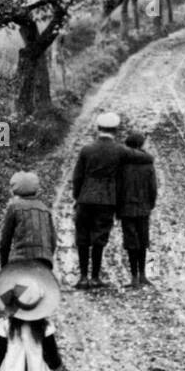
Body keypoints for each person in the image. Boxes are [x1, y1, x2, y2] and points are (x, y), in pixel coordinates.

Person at [71, 111, 125, 289]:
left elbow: (77, 177)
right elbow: (122, 178)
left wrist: (77, 197)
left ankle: (83, 277)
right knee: (99, 237)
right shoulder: (120, 151)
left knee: (82, 236)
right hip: (107, 200)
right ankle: (95, 277)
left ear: (98, 129)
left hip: (85, 198)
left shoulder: (87, 150)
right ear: (115, 130)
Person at [116, 130, 158, 288]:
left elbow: (117, 187)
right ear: (141, 144)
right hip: (143, 208)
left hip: (126, 208)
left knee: (131, 242)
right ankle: (143, 275)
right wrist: (150, 204)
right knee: (143, 241)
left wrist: (117, 207)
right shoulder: (148, 163)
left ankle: (133, 277)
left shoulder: (121, 164)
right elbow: (152, 188)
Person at [0, 171, 56, 269]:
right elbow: (53, 241)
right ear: (36, 190)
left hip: (20, 260)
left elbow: (5, 242)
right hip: (45, 261)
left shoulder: (14, 208)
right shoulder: (45, 209)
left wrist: (4, 267)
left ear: (15, 190)